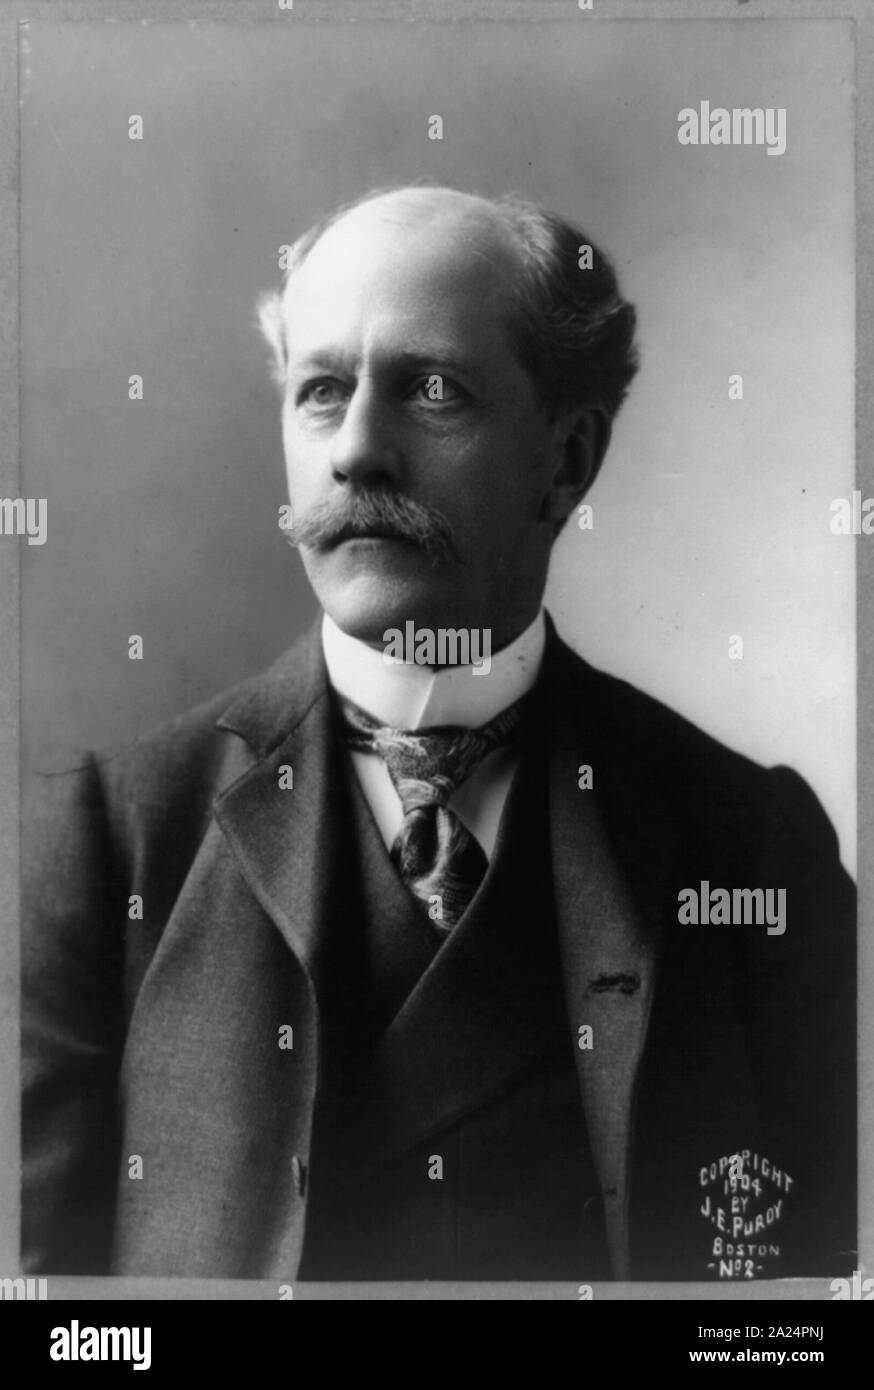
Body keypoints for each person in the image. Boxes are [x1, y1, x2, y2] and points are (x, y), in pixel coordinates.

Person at [22, 185, 855, 1283]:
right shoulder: (103, 841)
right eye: (321, 392)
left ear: (567, 461)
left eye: (430, 390)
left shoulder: (747, 848)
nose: (357, 451)